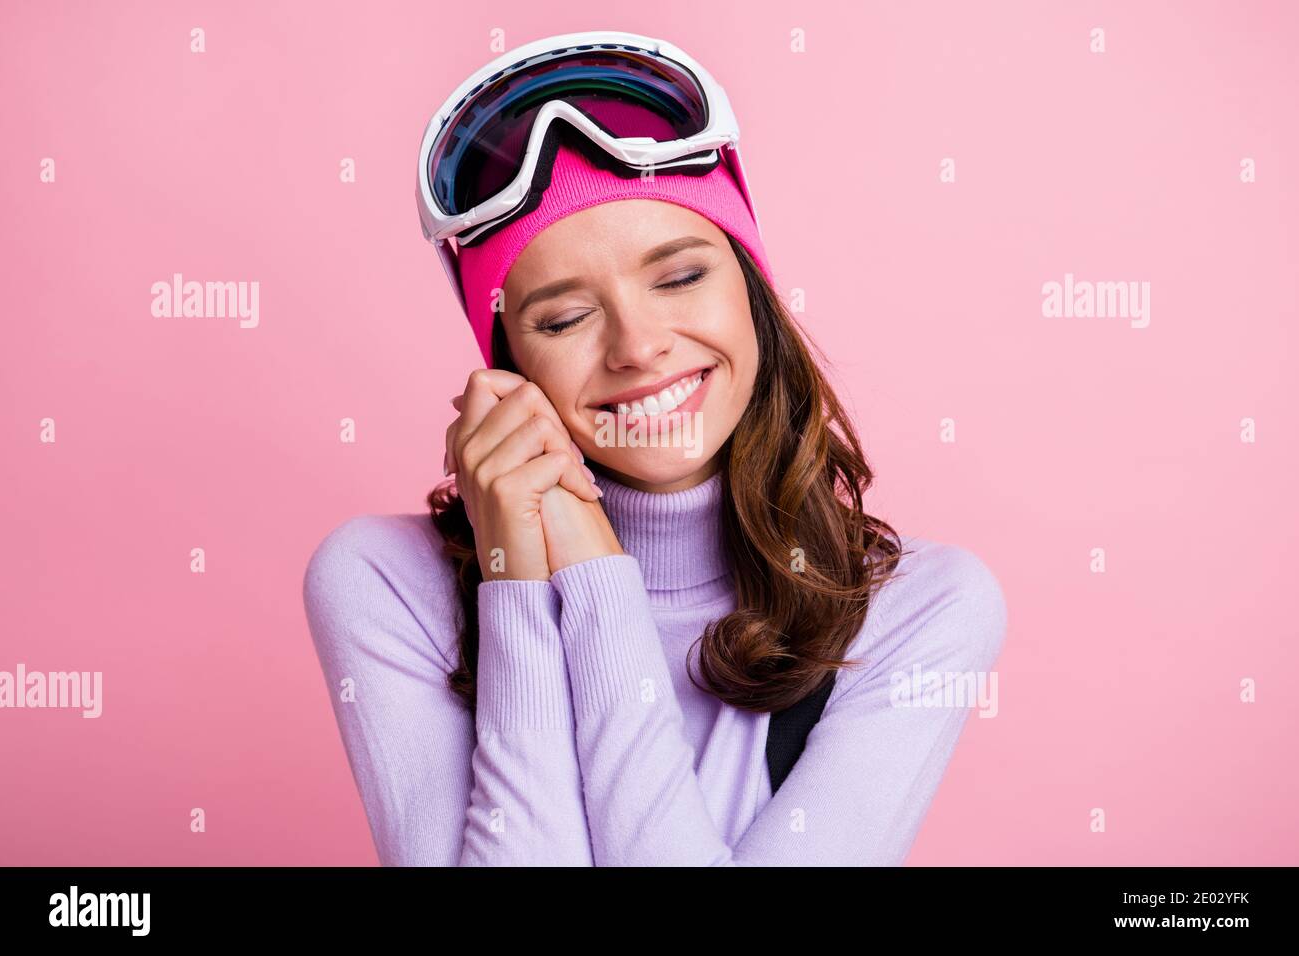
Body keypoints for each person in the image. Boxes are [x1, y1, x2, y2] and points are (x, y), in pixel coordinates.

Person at [302, 34, 1007, 866]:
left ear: (752, 291)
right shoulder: (384, 583)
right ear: (508, 365)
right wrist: (519, 579)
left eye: (679, 278)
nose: (638, 347)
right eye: (563, 319)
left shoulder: (916, 609)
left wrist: (596, 571)